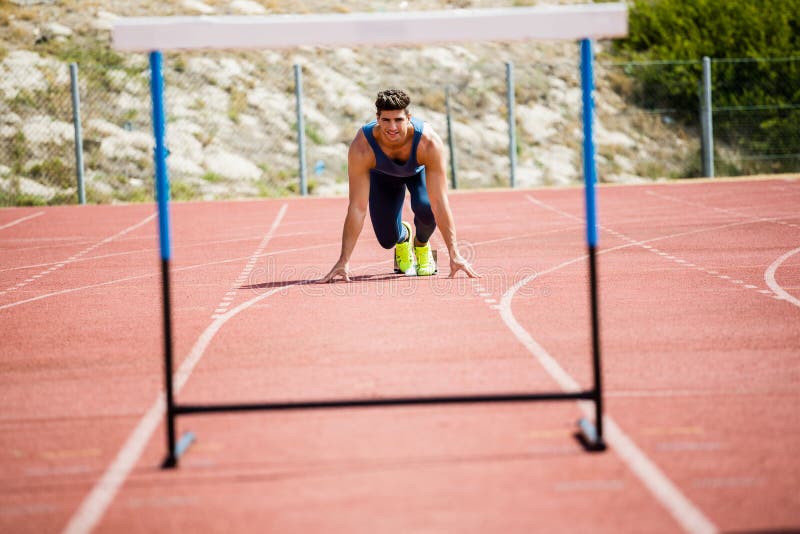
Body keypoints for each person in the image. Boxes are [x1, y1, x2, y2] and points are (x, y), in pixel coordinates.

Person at [322, 89, 479, 283]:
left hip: (417, 173)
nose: (392, 127)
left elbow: (439, 202)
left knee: (427, 207)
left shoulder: (428, 143)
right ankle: (404, 236)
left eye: (398, 120)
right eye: (386, 120)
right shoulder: (362, 147)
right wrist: (343, 260)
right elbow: (357, 207)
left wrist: (454, 254)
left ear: (408, 118)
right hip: (382, 177)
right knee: (387, 240)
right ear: (377, 119)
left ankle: (421, 245)